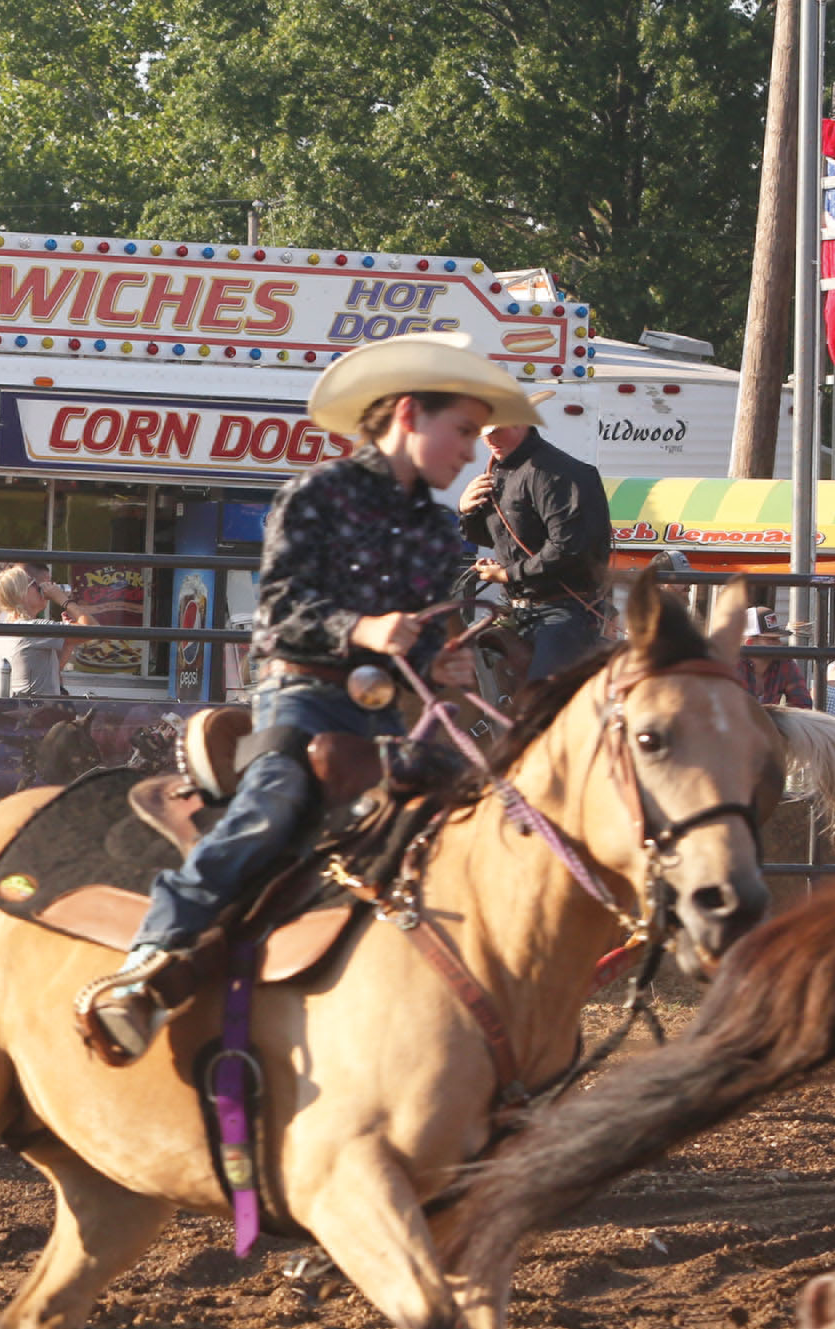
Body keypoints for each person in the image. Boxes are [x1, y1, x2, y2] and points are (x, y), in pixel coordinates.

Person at [83, 337, 525, 1057]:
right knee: (274, 803)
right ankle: (150, 962)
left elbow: (413, 639)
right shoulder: (317, 495)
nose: (474, 453)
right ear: (409, 414)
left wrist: (436, 663)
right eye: (465, 431)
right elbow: (279, 615)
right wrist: (364, 627)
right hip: (301, 700)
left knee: (475, 807)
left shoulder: (438, 532)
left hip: (387, 713)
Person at [457, 398, 611, 680]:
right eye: (485, 433)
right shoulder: (498, 471)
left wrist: (506, 574)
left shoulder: (560, 474)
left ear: (523, 423)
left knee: (541, 700)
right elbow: (490, 537)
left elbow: (569, 548)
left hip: (564, 613)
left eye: (498, 430)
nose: (491, 439)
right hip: (516, 610)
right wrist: (466, 510)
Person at [0, 564, 86, 697]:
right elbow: (93, 629)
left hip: (16, 711)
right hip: (42, 713)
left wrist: (69, 641)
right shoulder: (35, 628)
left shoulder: (2, 628)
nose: (44, 590)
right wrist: (63, 599)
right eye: (37, 586)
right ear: (22, 593)